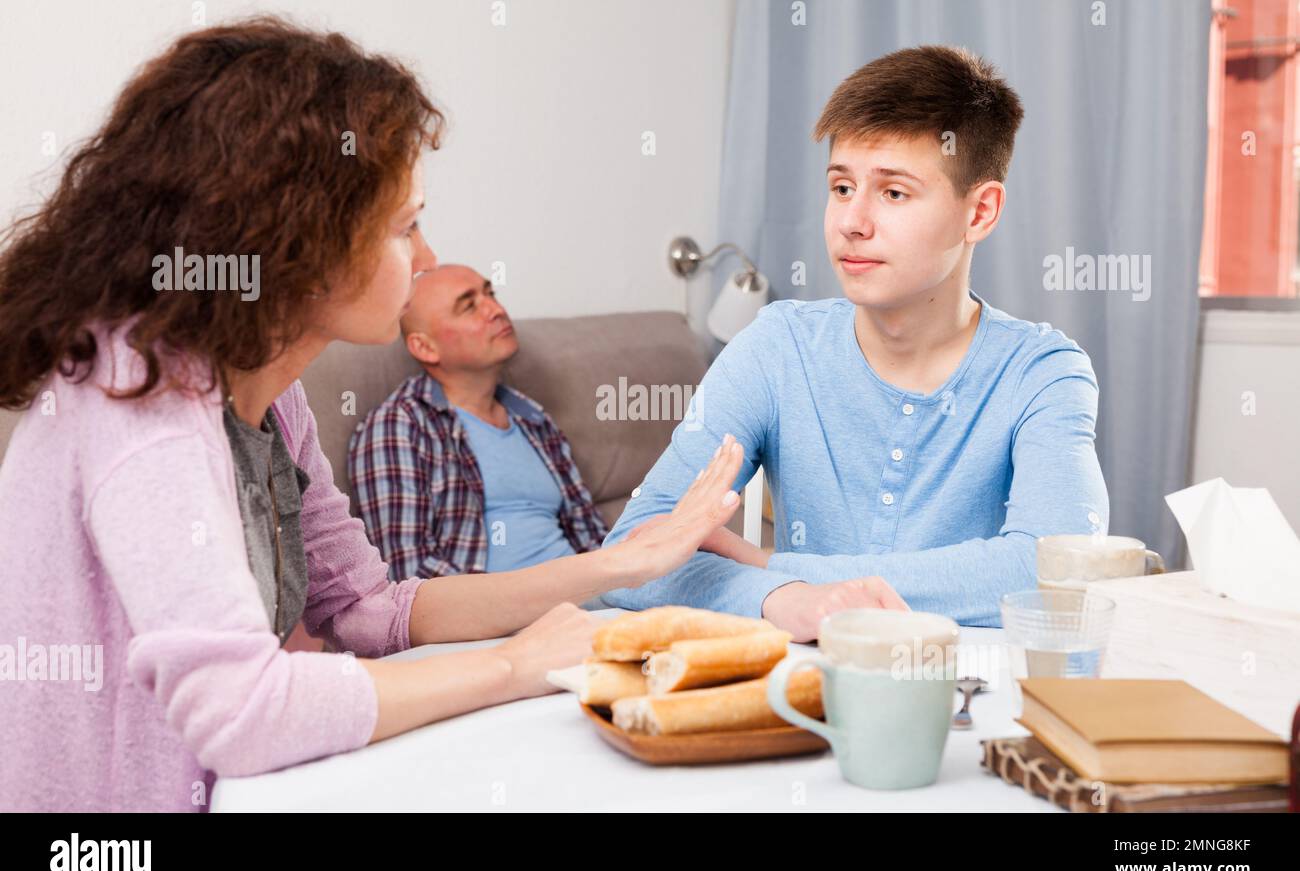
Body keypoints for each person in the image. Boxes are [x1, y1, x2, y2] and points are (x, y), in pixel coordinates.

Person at [0, 17, 745, 812]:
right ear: (300, 242)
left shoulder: (267, 387)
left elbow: (367, 610)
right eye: (403, 226)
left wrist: (618, 564)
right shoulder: (137, 390)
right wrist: (510, 666)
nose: (423, 256)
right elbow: (240, 709)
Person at [603, 45, 1108, 640]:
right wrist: (782, 598)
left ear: (980, 212)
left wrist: (780, 571)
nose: (851, 222)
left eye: (893, 193)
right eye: (842, 187)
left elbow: (1057, 572)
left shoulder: (1043, 372)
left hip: (970, 695)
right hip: (806, 691)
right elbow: (630, 558)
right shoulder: (777, 347)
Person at [350, 264, 607, 581]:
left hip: (589, 600)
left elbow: (591, 538)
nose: (496, 310)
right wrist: (527, 604)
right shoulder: (397, 428)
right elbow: (410, 574)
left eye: (491, 294)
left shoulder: (531, 418)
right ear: (425, 347)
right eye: (469, 306)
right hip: (500, 621)